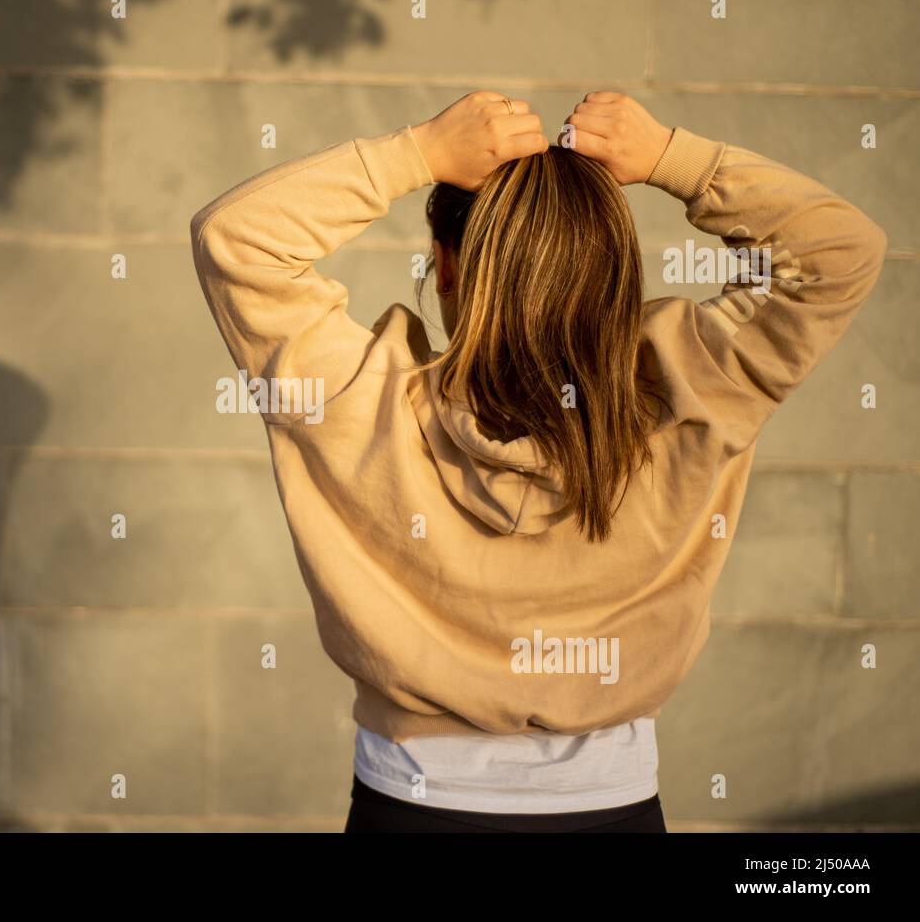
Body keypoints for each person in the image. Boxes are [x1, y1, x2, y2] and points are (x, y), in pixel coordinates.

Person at [189, 91, 887, 832]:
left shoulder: (360, 401)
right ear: (614, 273)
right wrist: (669, 158)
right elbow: (841, 252)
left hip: (410, 806)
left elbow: (237, 238)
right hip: (613, 811)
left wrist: (419, 150)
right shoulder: (688, 390)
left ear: (446, 269)